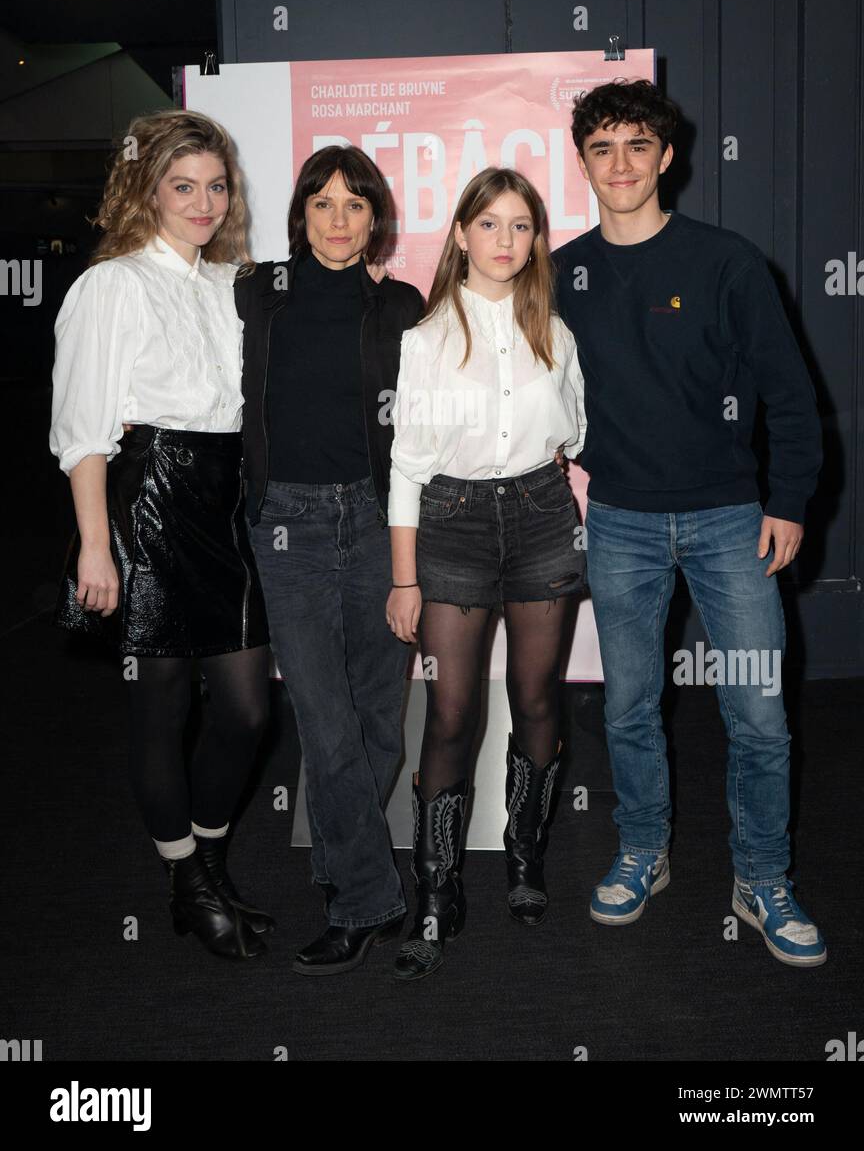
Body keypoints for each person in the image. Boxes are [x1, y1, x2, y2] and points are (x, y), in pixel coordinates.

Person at [553, 78, 826, 967]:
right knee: (629, 707)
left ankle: (763, 876)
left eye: (638, 146)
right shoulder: (562, 274)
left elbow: (790, 395)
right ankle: (643, 852)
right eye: (603, 148)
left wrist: (788, 500)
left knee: (757, 711)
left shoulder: (728, 263)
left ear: (667, 157)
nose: (621, 164)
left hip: (731, 525)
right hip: (622, 525)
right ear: (583, 162)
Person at [50, 109, 273, 961]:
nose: (204, 202)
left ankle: (207, 863)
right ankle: (184, 881)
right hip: (144, 502)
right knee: (161, 708)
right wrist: (96, 547)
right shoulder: (110, 286)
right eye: (184, 186)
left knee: (249, 709)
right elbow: (84, 432)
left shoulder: (230, 283)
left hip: (224, 505)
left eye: (216, 186)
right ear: (147, 188)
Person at [386, 166, 586, 982]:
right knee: (451, 712)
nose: (506, 241)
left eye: (521, 226)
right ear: (462, 234)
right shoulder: (427, 339)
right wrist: (405, 580)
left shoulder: (556, 333)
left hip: (543, 516)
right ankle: (436, 890)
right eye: (490, 224)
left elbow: (573, 430)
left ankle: (525, 858)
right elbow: (406, 466)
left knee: (539, 698)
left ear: (535, 239)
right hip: (452, 528)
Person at [235, 144, 424, 976]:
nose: (340, 221)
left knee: (381, 718)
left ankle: (339, 866)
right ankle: (367, 901)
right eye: (324, 203)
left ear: (375, 217)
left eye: (356, 205)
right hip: (288, 527)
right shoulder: (253, 297)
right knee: (324, 717)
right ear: (301, 213)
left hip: (381, 522)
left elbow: (426, 425)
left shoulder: (405, 307)